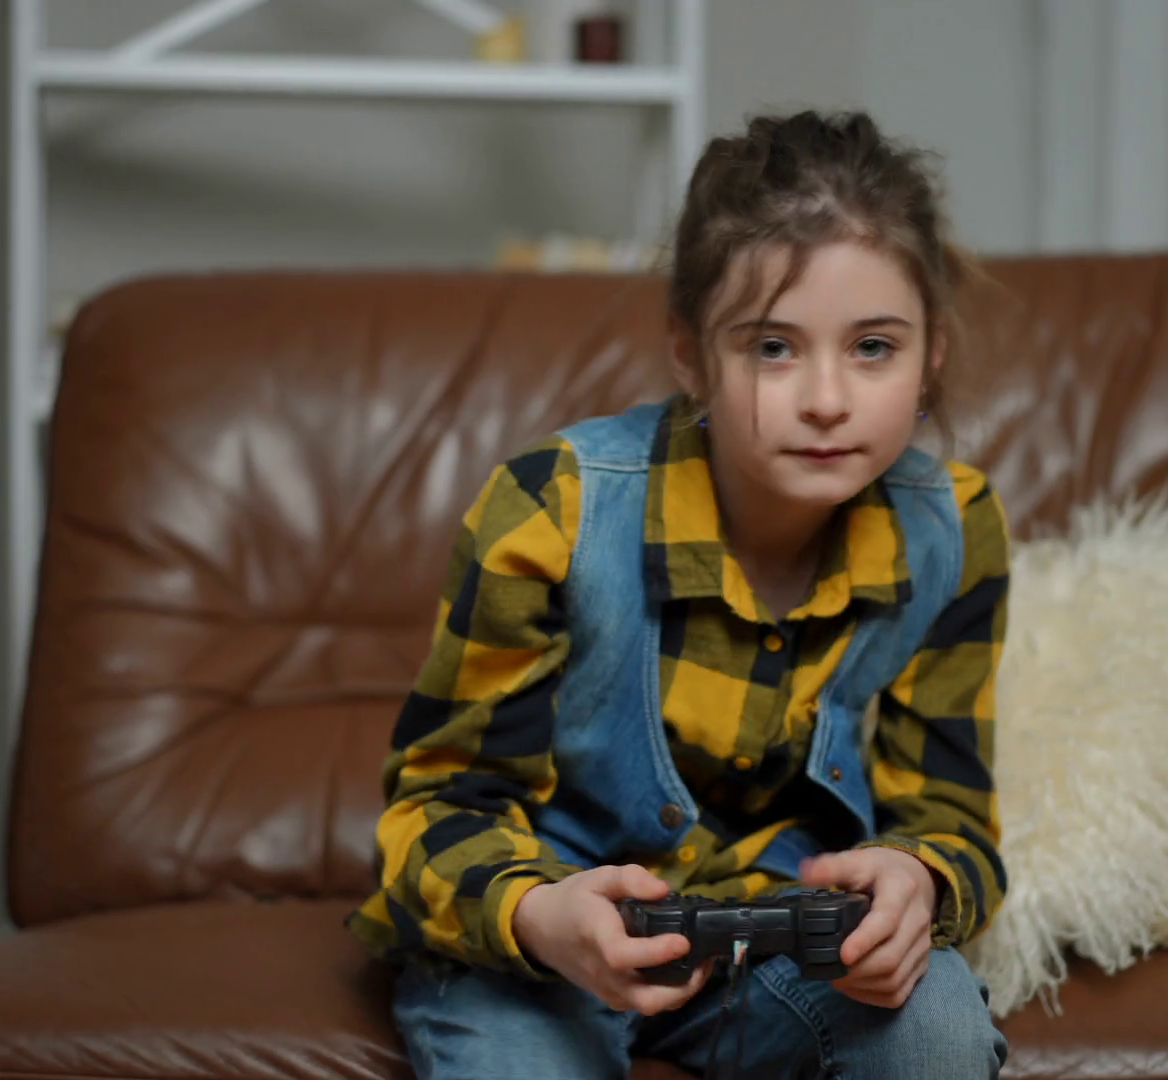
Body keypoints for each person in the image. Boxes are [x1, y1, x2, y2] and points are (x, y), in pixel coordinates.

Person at [347, 109, 1011, 1079]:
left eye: (873, 347)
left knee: (938, 1027)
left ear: (932, 355)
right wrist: (540, 916)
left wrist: (919, 879)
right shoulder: (553, 509)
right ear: (691, 355)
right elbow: (435, 811)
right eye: (772, 349)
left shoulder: (952, 529)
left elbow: (955, 822)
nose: (826, 398)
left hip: (777, 943)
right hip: (542, 946)